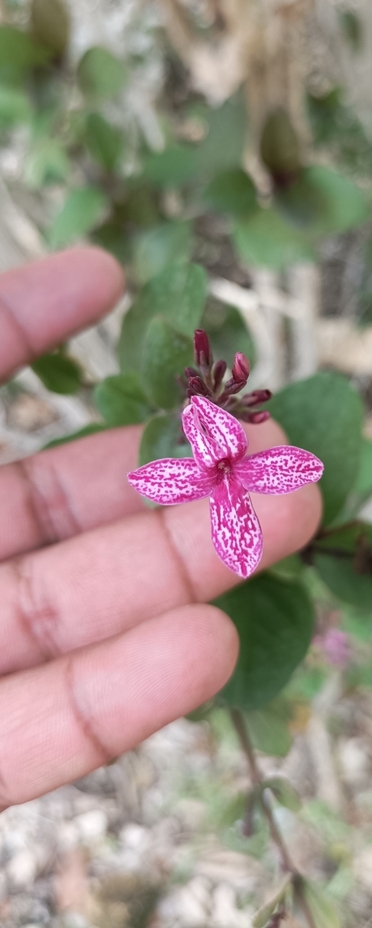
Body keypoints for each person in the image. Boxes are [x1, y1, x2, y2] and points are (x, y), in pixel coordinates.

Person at [0, 246, 321, 810]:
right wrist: (199, 414)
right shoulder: (192, 465)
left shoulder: (240, 465)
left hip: (224, 455)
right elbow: (160, 475)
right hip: (206, 450)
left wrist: (207, 417)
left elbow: (300, 466)